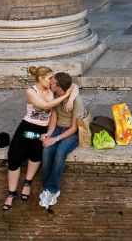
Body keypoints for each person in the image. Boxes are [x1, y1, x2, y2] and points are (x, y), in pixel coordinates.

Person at [2, 66, 78, 211]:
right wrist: (65, 96)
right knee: (14, 157)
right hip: (27, 128)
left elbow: (74, 85)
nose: (52, 81)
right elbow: (46, 105)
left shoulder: (51, 90)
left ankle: (27, 183)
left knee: (36, 153)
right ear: (41, 79)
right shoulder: (30, 91)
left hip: (43, 129)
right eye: (50, 78)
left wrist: (71, 98)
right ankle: (11, 193)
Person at [39, 72, 91, 209]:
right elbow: (54, 118)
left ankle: (51, 189)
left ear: (58, 86)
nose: (50, 83)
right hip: (57, 128)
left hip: (72, 133)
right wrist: (48, 135)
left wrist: (56, 139)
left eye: (53, 82)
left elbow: (74, 128)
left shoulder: (77, 101)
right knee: (46, 151)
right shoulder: (55, 95)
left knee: (60, 152)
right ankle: (47, 190)